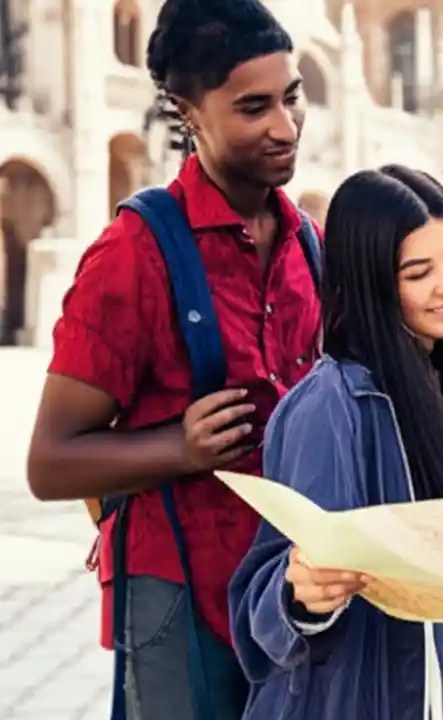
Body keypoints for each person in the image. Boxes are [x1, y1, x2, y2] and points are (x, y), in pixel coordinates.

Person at [25, 0, 318, 717]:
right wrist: (177, 446)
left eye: (292, 96)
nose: (284, 127)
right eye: (253, 107)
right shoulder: (135, 252)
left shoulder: (307, 241)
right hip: (179, 598)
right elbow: (50, 462)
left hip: (287, 594)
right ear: (187, 111)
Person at [229, 165, 443, 720]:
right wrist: (301, 595)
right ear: (371, 283)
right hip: (378, 695)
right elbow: (263, 606)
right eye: (418, 272)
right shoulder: (331, 406)